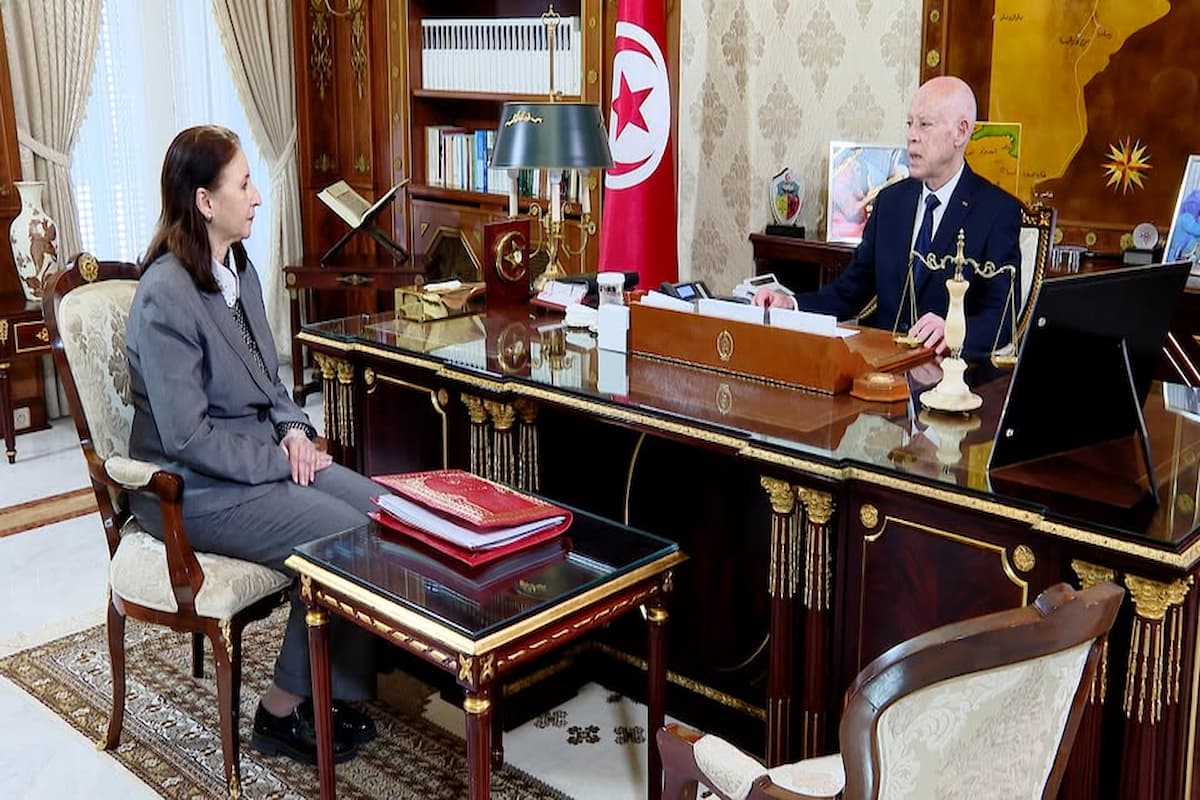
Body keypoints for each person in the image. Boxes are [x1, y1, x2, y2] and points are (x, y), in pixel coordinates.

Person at [126, 125, 380, 766]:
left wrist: (295, 432)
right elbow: (186, 436)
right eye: (244, 184)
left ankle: (330, 690)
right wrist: (279, 461)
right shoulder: (164, 295)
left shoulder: (237, 266)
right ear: (205, 202)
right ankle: (281, 710)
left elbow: (271, 381)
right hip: (192, 490)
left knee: (380, 511)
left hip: (256, 460)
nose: (258, 196)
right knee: (345, 537)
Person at [757, 76, 1022, 356]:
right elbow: (850, 291)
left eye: (925, 124)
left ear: (961, 132)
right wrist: (791, 305)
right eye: (910, 124)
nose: (912, 136)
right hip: (882, 366)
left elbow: (1002, 317)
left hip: (948, 371)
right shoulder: (890, 202)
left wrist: (953, 330)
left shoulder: (996, 211)